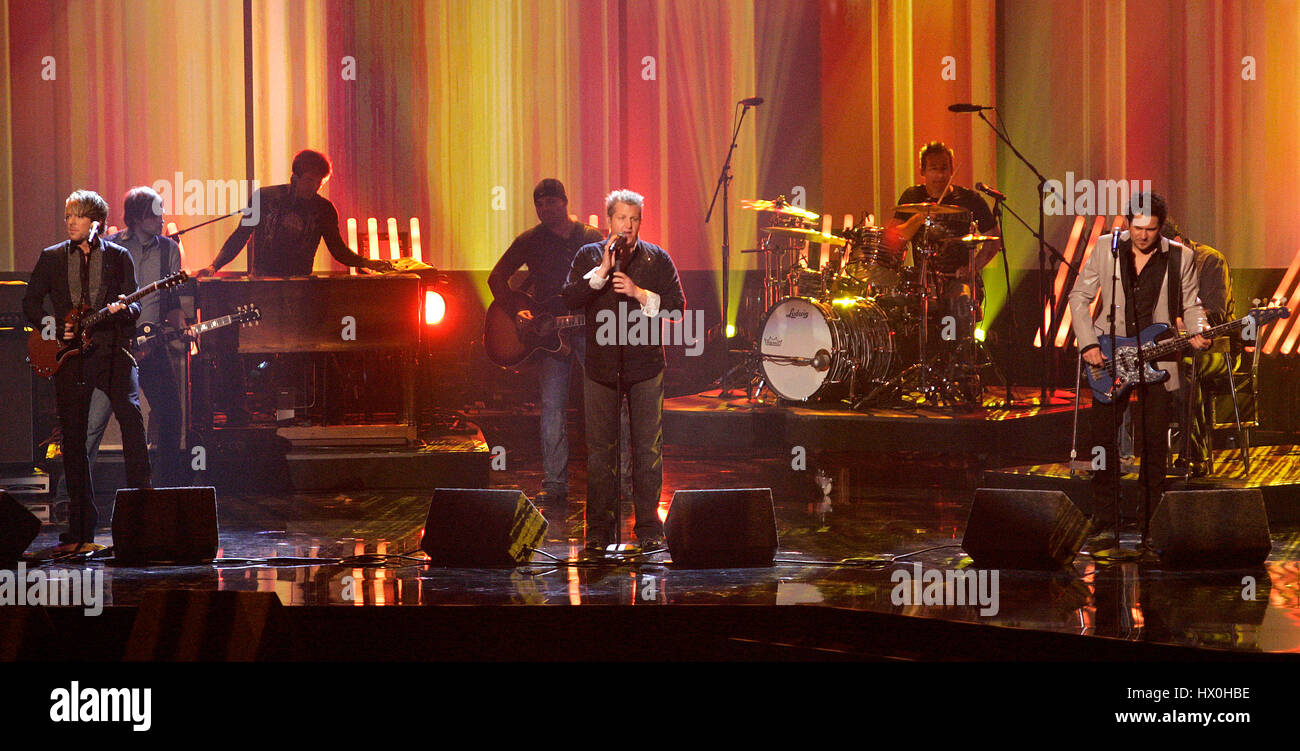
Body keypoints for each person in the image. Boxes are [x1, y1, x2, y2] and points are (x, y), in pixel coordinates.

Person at [1069, 193, 1210, 538]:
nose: (1142, 236)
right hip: (1107, 352)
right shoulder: (1106, 247)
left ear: (1161, 227)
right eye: (1136, 227)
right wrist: (1088, 342)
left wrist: (1198, 330)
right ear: (1127, 222)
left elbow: (1191, 304)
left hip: (1156, 358)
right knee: (1103, 440)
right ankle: (1105, 515)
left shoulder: (1180, 257)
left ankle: (1150, 520)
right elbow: (1079, 296)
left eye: (1150, 229)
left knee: (1153, 443)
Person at [23, 190, 151, 548]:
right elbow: (30, 302)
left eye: (77, 216)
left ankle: (143, 512)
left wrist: (121, 310)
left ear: (96, 222)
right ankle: (81, 526)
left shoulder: (118, 257)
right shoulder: (51, 258)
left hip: (109, 351)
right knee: (75, 439)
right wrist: (52, 326)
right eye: (67, 217)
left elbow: (136, 306)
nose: (70, 223)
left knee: (131, 420)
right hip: (70, 355)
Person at [563, 190, 685, 554]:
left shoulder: (657, 259)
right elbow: (569, 298)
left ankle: (648, 524)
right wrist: (601, 272)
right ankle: (599, 528)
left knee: (647, 449)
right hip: (600, 367)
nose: (628, 226)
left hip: (646, 367)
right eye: (621, 219)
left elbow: (677, 309)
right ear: (609, 221)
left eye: (634, 219)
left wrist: (640, 292)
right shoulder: (588, 255)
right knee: (601, 451)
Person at [488, 179, 603, 505]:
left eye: (551, 202)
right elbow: (496, 277)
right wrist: (517, 311)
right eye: (539, 204)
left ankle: (613, 481)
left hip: (586, 329)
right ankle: (554, 483)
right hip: (548, 333)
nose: (545, 209)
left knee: (603, 405)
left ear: (564, 202)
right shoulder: (530, 240)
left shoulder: (591, 239)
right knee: (552, 408)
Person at [79, 187, 187, 487]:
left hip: (151, 343)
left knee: (170, 413)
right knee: (95, 422)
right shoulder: (110, 246)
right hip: (114, 346)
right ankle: (72, 490)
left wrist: (181, 325)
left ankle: (167, 485)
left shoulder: (169, 249)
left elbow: (172, 300)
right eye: (156, 212)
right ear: (139, 216)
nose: (163, 218)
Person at [197, 149, 392, 277]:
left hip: (300, 283)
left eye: (319, 182)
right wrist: (214, 266)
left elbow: (338, 249)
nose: (314, 187)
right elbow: (240, 236)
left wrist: (367, 262)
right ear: (294, 178)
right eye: (309, 180)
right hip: (263, 281)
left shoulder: (324, 209)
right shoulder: (265, 197)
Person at [1162, 219, 1235, 477]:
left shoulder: (1210, 261)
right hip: (1172, 350)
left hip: (1216, 350)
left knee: (1181, 371)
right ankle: (1119, 455)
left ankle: (1194, 455)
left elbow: (1216, 315)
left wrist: (1178, 321)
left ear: (1177, 243)